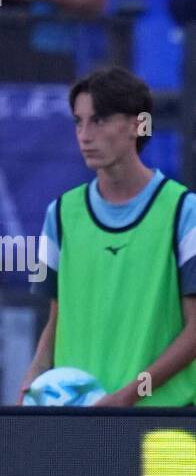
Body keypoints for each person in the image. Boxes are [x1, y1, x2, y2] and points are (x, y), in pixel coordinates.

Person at [21, 66, 196, 407]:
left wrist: (130, 395)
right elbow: (57, 321)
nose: (85, 135)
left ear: (138, 125)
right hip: (81, 427)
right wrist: (34, 377)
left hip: (163, 426)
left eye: (99, 120)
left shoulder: (185, 212)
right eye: (78, 121)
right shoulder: (59, 214)